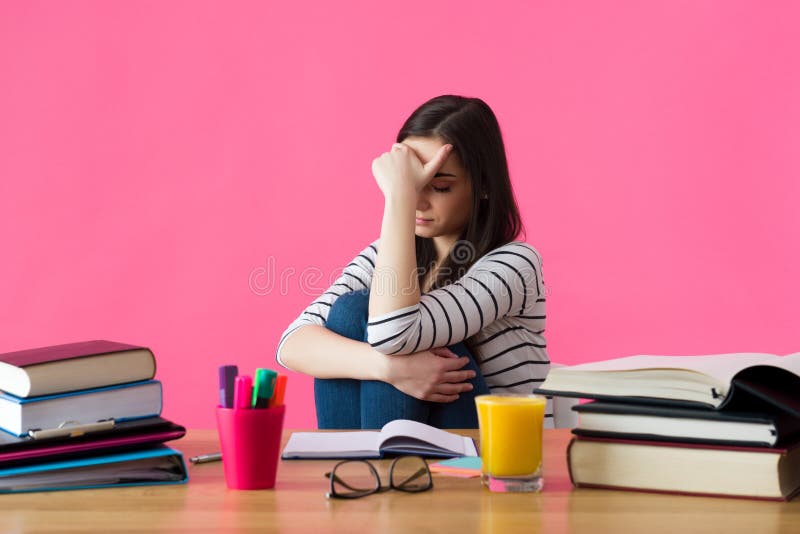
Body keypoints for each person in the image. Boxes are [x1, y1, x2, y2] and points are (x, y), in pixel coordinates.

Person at [276, 95, 549, 429]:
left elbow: (393, 333)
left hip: (498, 446)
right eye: (411, 184)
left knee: (372, 315)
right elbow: (293, 343)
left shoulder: (516, 263)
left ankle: (376, 474)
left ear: (484, 186)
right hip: (427, 433)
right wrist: (390, 369)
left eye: (439, 185)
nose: (418, 201)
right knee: (349, 311)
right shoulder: (387, 253)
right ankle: (357, 470)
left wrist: (399, 197)